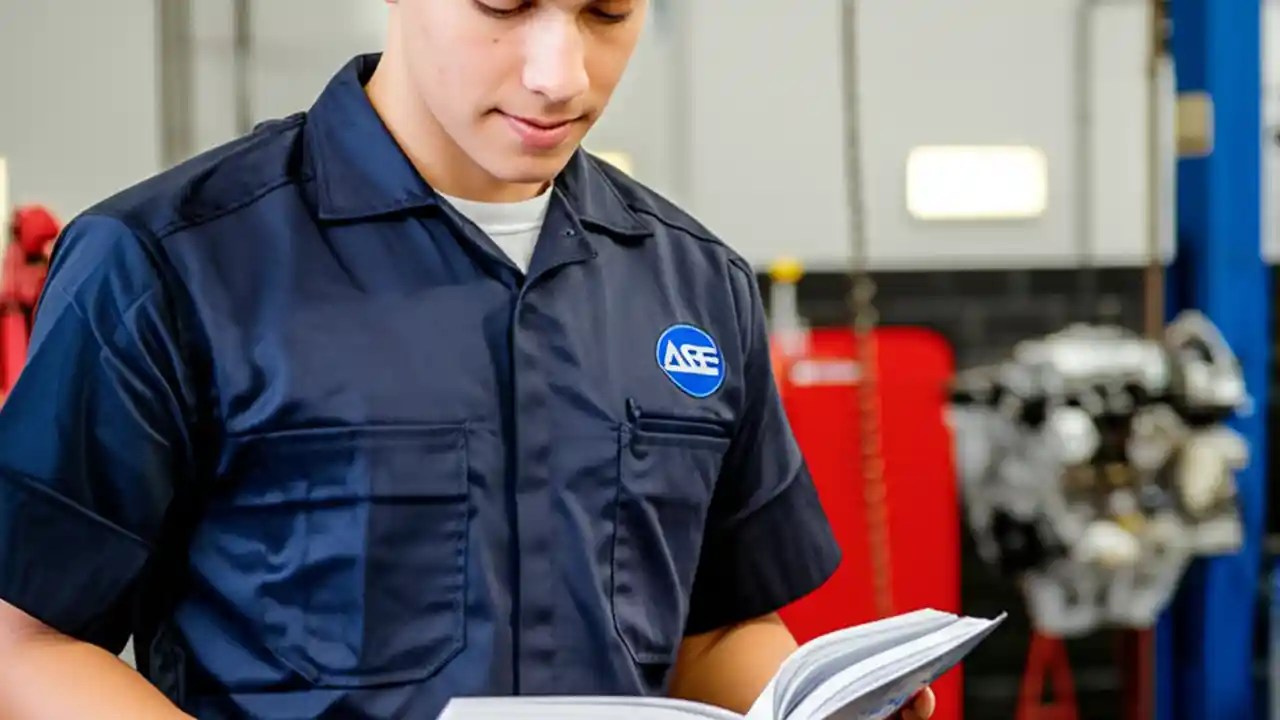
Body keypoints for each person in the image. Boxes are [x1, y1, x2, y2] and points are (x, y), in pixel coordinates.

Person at [0, 2, 937, 719]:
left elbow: (716, 628)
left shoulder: (695, 285)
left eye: (607, 12)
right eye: (502, 5)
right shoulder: (168, 263)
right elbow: (23, 642)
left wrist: (811, 702)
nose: (560, 73)